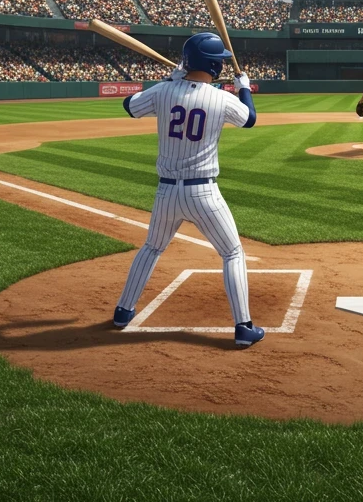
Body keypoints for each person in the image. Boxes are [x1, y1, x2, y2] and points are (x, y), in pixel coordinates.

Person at [113, 32, 265, 347]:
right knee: (232, 252)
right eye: (220, 60)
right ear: (213, 64)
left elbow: (129, 106)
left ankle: (122, 311)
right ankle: (243, 326)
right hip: (203, 194)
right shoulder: (222, 98)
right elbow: (250, 119)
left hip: (166, 193)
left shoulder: (164, 91)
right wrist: (244, 88)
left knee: (151, 248)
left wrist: (167, 82)